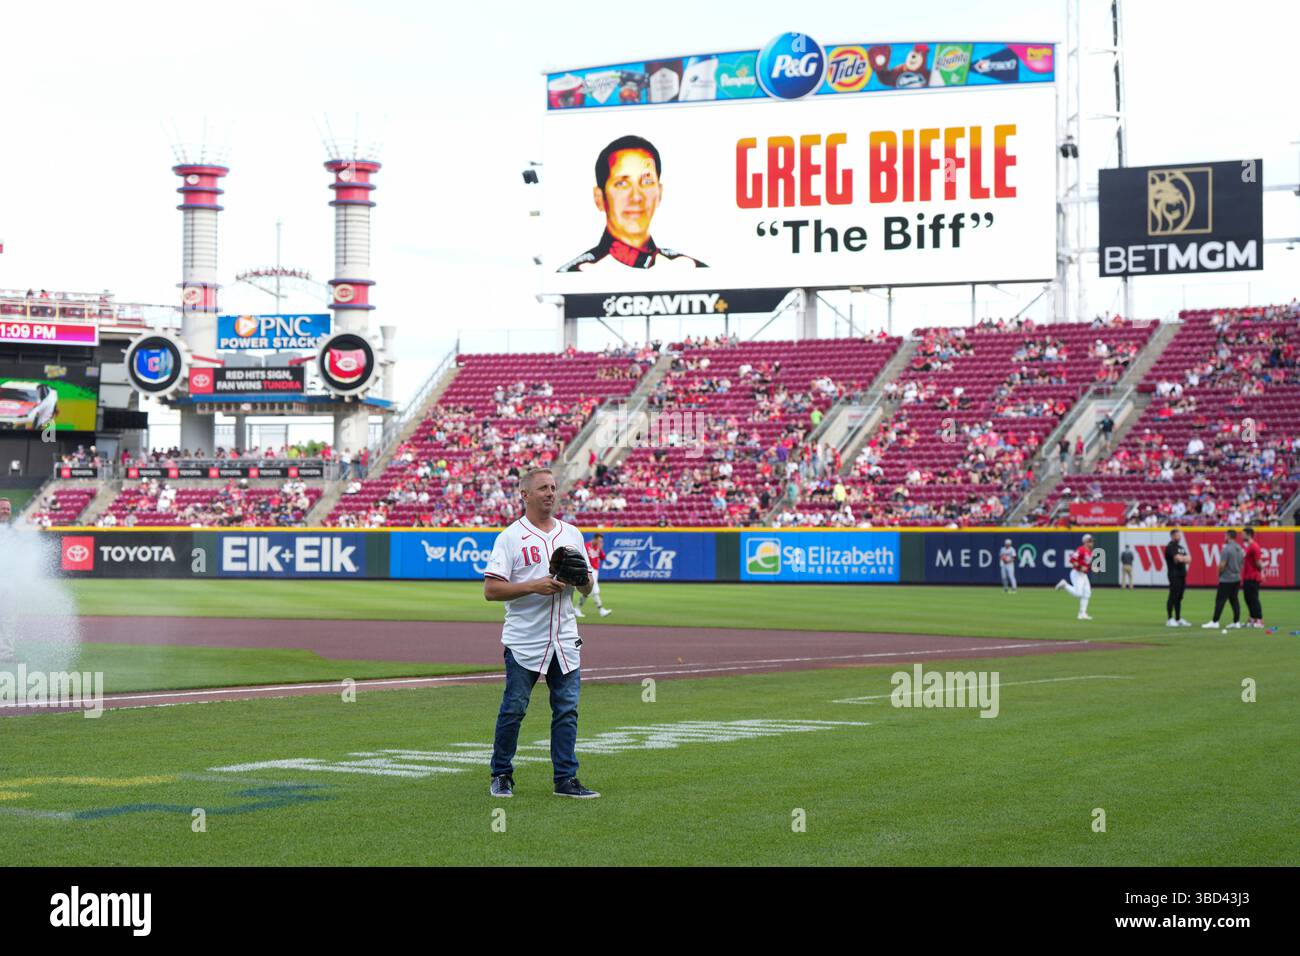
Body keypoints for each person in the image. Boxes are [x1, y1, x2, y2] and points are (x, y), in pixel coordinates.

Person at [484, 468, 599, 799]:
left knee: (566, 709)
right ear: (525, 495)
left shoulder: (572, 533)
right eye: (543, 488)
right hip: (525, 640)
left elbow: (588, 586)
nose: (550, 493)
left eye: (553, 487)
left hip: (564, 638)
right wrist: (534, 586)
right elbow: (491, 590)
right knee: (514, 708)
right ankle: (501, 773)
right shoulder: (510, 537)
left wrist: (582, 580)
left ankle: (566, 779)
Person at [557, 135, 706, 273]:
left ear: (659, 193)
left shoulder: (693, 271)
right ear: (599, 198)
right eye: (622, 183)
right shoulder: (574, 275)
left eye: (647, 182)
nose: (636, 197)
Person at [1202, 529, 1244, 630]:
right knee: (1234, 600)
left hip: (1227, 579)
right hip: (1237, 578)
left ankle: (1215, 621)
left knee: (1220, 600)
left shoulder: (1227, 548)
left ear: (1229, 536)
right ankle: (1236, 622)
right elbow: (1242, 563)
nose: (1224, 537)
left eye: (1225, 536)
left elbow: (1222, 564)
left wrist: (1219, 574)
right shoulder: (1239, 548)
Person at [1055, 533, 1094, 620]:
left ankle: (1082, 614)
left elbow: (1086, 565)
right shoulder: (1081, 549)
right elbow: (1072, 560)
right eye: (1090, 541)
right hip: (1076, 573)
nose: (1091, 543)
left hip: (1083, 575)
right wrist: (1080, 567)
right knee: (1078, 594)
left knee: (1087, 593)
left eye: (1092, 541)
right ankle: (1065, 585)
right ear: (1085, 542)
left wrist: (1088, 568)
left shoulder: (1090, 552)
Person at [575, 532, 613, 619]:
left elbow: (603, 558)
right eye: (599, 540)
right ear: (595, 539)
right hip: (588, 570)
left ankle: (577, 609)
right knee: (595, 590)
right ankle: (601, 610)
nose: (600, 542)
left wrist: (600, 549)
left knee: (587, 592)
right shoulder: (587, 546)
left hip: (595, 570)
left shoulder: (597, 548)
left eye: (601, 541)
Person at [1165, 528, 1191, 626]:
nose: (1179, 537)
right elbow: (1177, 559)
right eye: (1177, 535)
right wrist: (1182, 558)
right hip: (1174, 575)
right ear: (1172, 536)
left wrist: (1182, 558)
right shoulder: (1170, 547)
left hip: (1182, 574)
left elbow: (1189, 559)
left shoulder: (1181, 547)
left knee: (1179, 597)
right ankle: (1169, 618)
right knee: (1173, 596)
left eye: (1179, 535)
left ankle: (1178, 618)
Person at [1241, 526, 1265, 628]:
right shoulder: (1249, 546)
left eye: (1243, 534)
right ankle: (1252, 619)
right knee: (1248, 598)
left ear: (1249, 534)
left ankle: (1259, 620)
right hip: (1247, 576)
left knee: (1254, 598)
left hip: (1253, 577)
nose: (1242, 535)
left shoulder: (1254, 546)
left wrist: (1261, 572)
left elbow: (1258, 562)